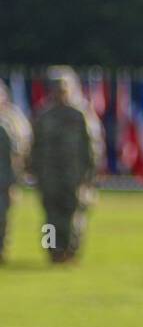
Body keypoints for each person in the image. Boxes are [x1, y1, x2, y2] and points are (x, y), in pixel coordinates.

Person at [30, 67, 104, 263]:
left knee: (74, 216)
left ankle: (71, 252)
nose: (59, 92)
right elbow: (35, 146)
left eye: (63, 88)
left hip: (75, 176)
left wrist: (91, 175)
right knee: (50, 217)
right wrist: (35, 171)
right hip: (49, 176)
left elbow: (94, 146)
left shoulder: (81, 114)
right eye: (55, 88)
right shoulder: (44, 114)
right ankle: (53, 251)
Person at [0, 82, 32, 264]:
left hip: (5, 180)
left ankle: (1, 250)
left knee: (2, 217)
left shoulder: (14, 119)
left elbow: (23, 148)